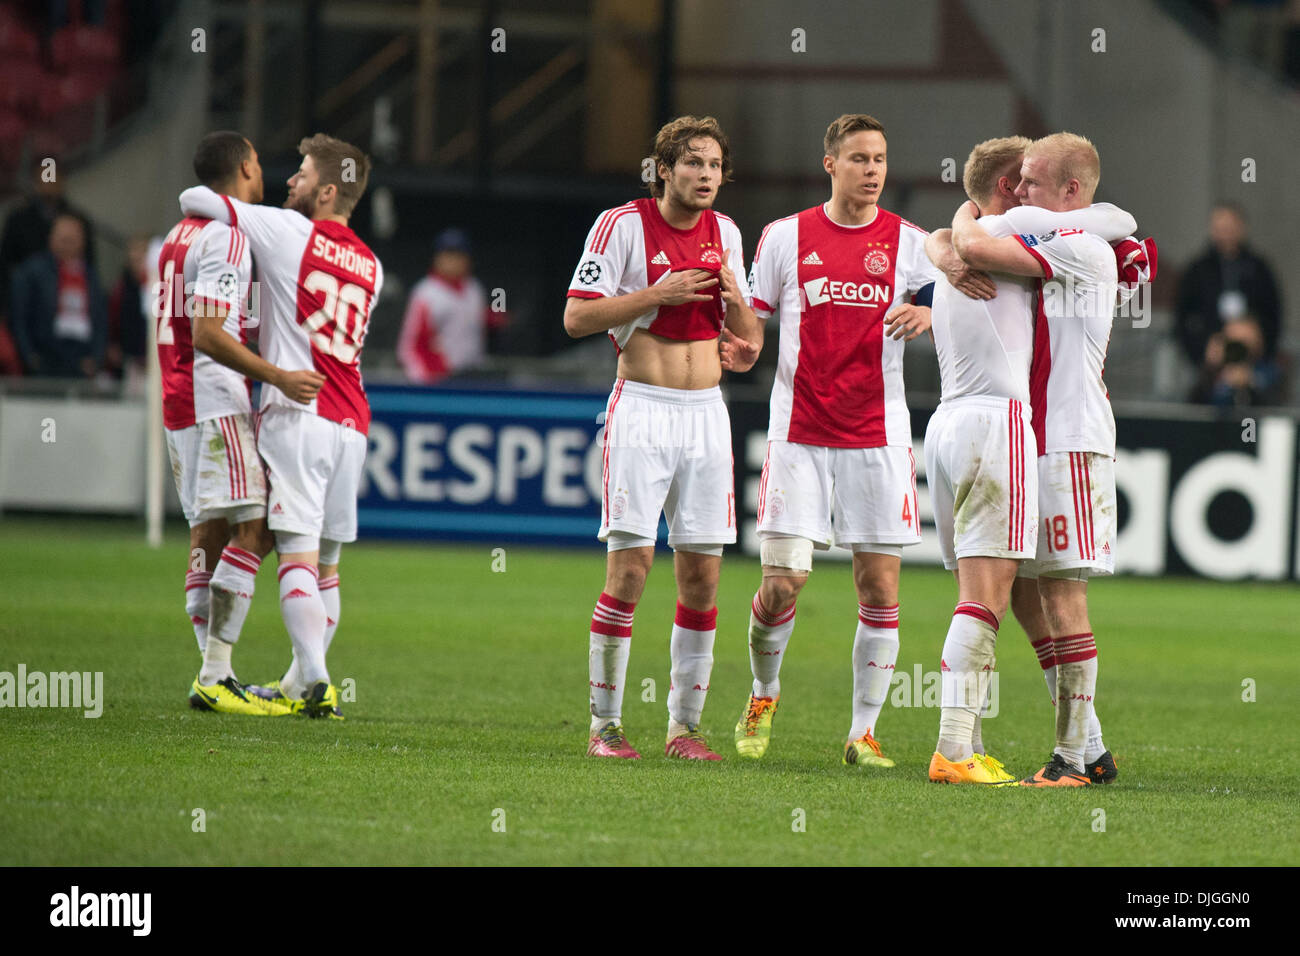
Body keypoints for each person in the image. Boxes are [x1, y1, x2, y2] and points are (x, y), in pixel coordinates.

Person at [734, 113, 957, 768]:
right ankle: (762, 692)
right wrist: (739, 341)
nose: (872, 169)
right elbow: (754, 324)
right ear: (829, 164)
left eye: (880, 158)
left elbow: (969, 298)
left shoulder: (913, 244)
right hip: (797, 432)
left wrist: (931, 307)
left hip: (877, 436)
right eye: (859, 157)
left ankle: (862, 733)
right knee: (785, 581)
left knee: (881, 587)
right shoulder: (785, 237)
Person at [923, 137, 1137, 785]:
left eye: (1036, 183)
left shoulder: (1079, 245)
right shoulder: (1044, 242)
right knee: (1020, 591)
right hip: (1026, 438)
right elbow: (958, 242)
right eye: (1018, 183)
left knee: (1063, 597)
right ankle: (1088, 744)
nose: (1023, 194)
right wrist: (948, 236)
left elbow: (981, 242)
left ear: (1071, 192)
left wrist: (957, 227)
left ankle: (1072, 759)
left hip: (1070, 439)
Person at [563, 115, 762, 760]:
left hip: (707, 411)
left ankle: (685, 728)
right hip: (643, 409)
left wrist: (739, 328)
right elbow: (576, 317)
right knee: (631, 569)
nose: (706, 176)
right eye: (693, 163)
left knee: (702, 578)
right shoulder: (621, 225)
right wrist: (658, 292)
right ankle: (605, 728)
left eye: (714, 166)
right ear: (664, 169)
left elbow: (751, 338)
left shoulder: (727, 232)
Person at [180, 133, 382, 720]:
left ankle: (317, 680)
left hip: (300, 413)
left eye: (299, 173)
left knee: (294, 550)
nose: (287, 181)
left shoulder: (287, 229)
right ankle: (298, 681)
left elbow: (199, 197)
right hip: (354, 422)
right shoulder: (372, 263)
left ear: (324, 190)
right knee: (327, 565)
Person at [158, 131, 323, 716]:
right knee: (258, 529)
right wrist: (277, 375)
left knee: (207, 538)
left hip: (178, 402)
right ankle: (215, 673)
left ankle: (212, 672)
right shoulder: (226, 237)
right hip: (215, 401)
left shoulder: (179, 234)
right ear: (248, 164)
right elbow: (209, 332)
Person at [1175, 203, 1282, 403]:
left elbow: (1273, 316)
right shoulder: (1198, 271)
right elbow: (1183, 318)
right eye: (1220, 228)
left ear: (1241, 227)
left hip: (1253, 365)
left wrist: (1253, 337)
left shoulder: (1259, 269)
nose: (1225, 234)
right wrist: (1206, 348)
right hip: (1209, 369)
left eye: (1230, 227)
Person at [9, 213, 106, 377]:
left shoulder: (90, 275)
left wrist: (96, 357)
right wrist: (29, 356)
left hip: (81, 362)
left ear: (82, 242)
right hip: (44, 360)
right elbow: (19, 316)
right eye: (63, 239)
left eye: (72, 240)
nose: (67, 245)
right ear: (51, 239)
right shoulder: (32, 272)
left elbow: (101, 319)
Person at [397, 228, 498, 383]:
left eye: (459, 255)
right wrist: (426, 382)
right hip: (441, 380)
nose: (453, 261)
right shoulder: (426, 293)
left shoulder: (474, 289)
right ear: (437, 258)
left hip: (474, 375)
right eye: (448, 254)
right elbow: (409, 348)